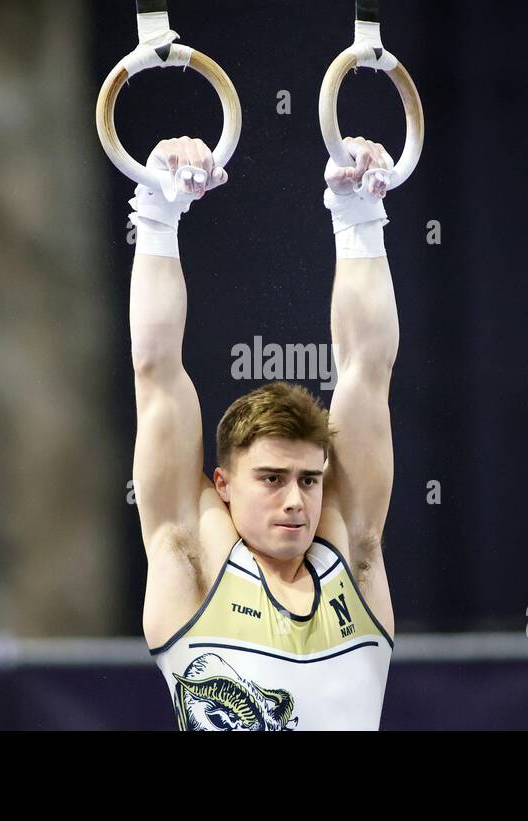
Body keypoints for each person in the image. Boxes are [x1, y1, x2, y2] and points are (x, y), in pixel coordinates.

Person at [129, 135, 398, 730]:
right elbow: (156, 373)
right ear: (222, 484)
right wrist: (157, 213)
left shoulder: (352, 560)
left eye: (310, 479)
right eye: (272, 479)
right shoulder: (192, 561)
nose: (297, 501)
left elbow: (367, 369)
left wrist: (359, 217)